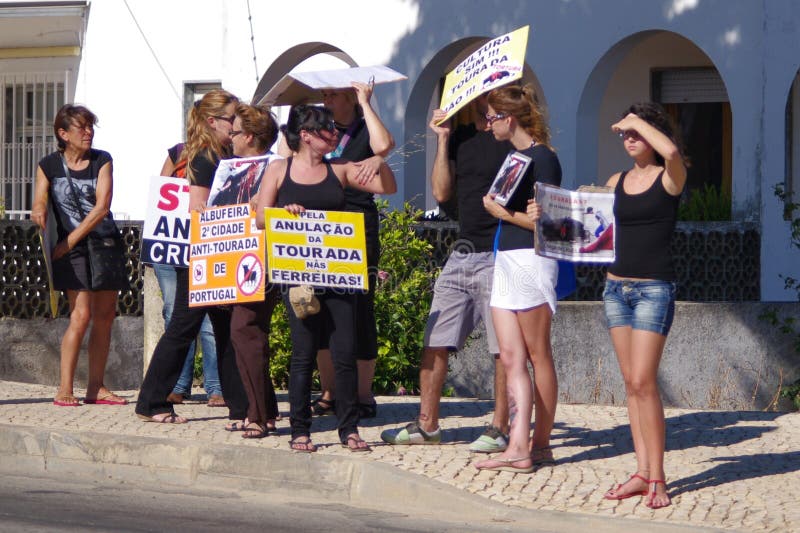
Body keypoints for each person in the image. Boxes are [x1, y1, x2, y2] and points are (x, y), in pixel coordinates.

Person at [255, 104, 396, 452]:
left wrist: (380, 159)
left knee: (344, 352)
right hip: (300, 278)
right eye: (326, 130)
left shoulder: (342, 169)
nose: (334, 135)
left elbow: (387, 187)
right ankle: (299, 429)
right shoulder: (278, 169)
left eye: (334, 129)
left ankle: (349, 429)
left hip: (339, 275)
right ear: (305, 135)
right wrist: (284, 212)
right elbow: (260, 218)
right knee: (303, 353)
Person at [381, 93, 511, 452]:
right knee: (435, 338)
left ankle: (500, 427)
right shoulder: (460, 137)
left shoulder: (512, 137)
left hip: (500, 253)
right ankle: (427, 425)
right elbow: (440, 192)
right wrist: (442, 138)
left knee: (502, 348)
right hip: (463, 251)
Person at [572, 103, 686, 508]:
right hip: (615, 290)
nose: (629, 138)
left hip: (654, 289)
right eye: (625, 133)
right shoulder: (616, 180)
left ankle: (658, 477)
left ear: (653, 134)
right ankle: (641, 471)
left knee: (643, 381)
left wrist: (638, 120)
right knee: (630, 385)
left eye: (636, 132)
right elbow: (590, 230)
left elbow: (671, 153)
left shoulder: (670, 176)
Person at [135, 89, 248, 424]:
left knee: (228, 330)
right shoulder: (204, 157)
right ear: (213, 122)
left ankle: (242, 408)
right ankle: (152, 402)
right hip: (202, 258)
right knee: (183, 329)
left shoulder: (222, 152)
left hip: (217, 254)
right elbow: (196, 209)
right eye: (232, 118)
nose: (236, 123)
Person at [473, 85, 562, 473]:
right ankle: (518, 443)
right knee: (511, 357)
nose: (487, 125)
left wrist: (504, 214)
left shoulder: (544, 158)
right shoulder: (513, 158)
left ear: (509, 118)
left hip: (532, 258)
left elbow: (551, 224)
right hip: (506, 258)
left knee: (537, 353)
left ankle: (538, 443)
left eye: (492, 117)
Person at [31, 104, 128, 407]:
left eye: (90, 127)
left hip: (102, 244)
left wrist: (68, 241)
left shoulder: (102, 161)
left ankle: (96, 388)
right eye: (81, 127)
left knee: (104, 317)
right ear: (63, 133)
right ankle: (64, 388)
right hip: (72, 251)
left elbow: (102, 208)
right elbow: (39, 200)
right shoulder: (49, 165)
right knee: (81, 315)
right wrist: (39, 211)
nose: (88, 133)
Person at [311, 80, 395, 419]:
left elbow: (385, 145)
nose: (326, 100)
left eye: (333, 95)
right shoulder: (318, 129)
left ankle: (363, 395)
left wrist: (365, 103)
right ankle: (330, 392)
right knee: (319, 313)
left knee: (360, 312)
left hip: (357, 228)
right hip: (319, 228)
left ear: (349, 98)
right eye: (324, 94)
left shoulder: (363, 129)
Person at [223, 103, 282, 438]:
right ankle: (264, 410)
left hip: (262, 258)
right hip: (239, 255)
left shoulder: (274, 166)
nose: (229, 139)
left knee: (244, 329)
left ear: (248, 136)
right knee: (249, 331)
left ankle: (257, 414)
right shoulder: (231, 168)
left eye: (233, 133)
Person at [155, 144, 223, 407]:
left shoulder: (222, 156)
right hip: (172, 244)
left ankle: (215, 388)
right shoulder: (177, 152)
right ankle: (178, 386)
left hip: (205, 246)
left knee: (208, 320)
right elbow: (161, 194)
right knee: (174, 315)